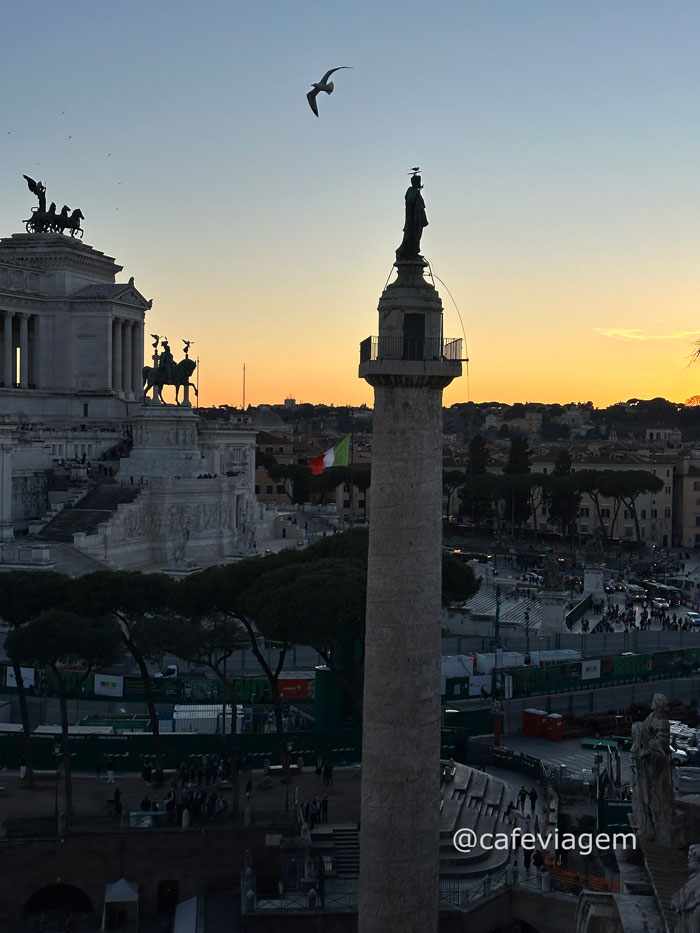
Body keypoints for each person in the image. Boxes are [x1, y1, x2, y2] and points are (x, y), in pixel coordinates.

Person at [396, 174, 428, 261]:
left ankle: (414, 252)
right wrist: (417, 194)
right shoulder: (411, 191)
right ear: (414, 182)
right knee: (411, 235)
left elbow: (422, 205)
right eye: (418, 181)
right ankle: (409, 252)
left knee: (417, 235)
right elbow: (410, 202)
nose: (420, 183)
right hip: (413, 219)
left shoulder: (416, 192)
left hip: (418, 219)